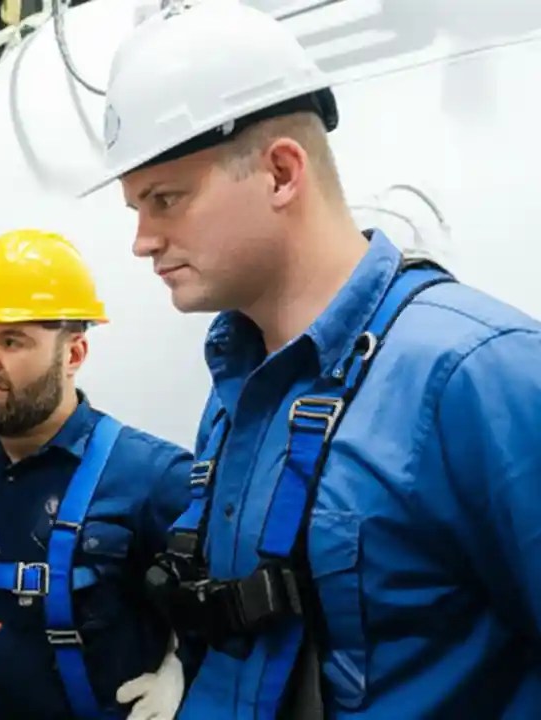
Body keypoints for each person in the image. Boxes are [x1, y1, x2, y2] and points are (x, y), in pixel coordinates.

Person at [82, 0, 541, 717]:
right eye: (137, 208)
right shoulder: (241, 389)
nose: (143, 240)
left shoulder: (477, 375)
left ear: (280, 173)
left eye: (164, 200)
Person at [0, 228, 195, 720]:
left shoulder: (154, 482)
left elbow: (223, 612)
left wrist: (183, 667)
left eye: (11, 341)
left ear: (73, 354)